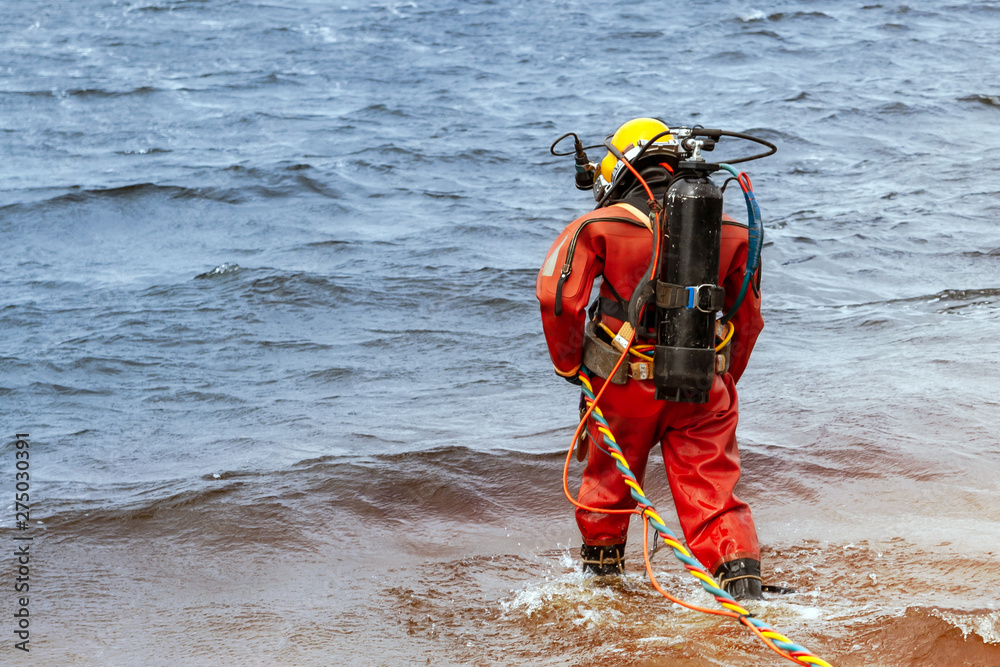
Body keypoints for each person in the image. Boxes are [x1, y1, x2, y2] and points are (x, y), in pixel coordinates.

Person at [536, 118, 766, 600]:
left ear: (623, 166)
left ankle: (604, 592)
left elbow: (557, 300)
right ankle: (747, 595)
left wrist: (570, 367)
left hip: (624, 385)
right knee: (715, 494)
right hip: (705, 385)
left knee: (608, 485)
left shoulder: (598, 226)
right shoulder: (730, 228)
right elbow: (748, 318)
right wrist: (720, 382)